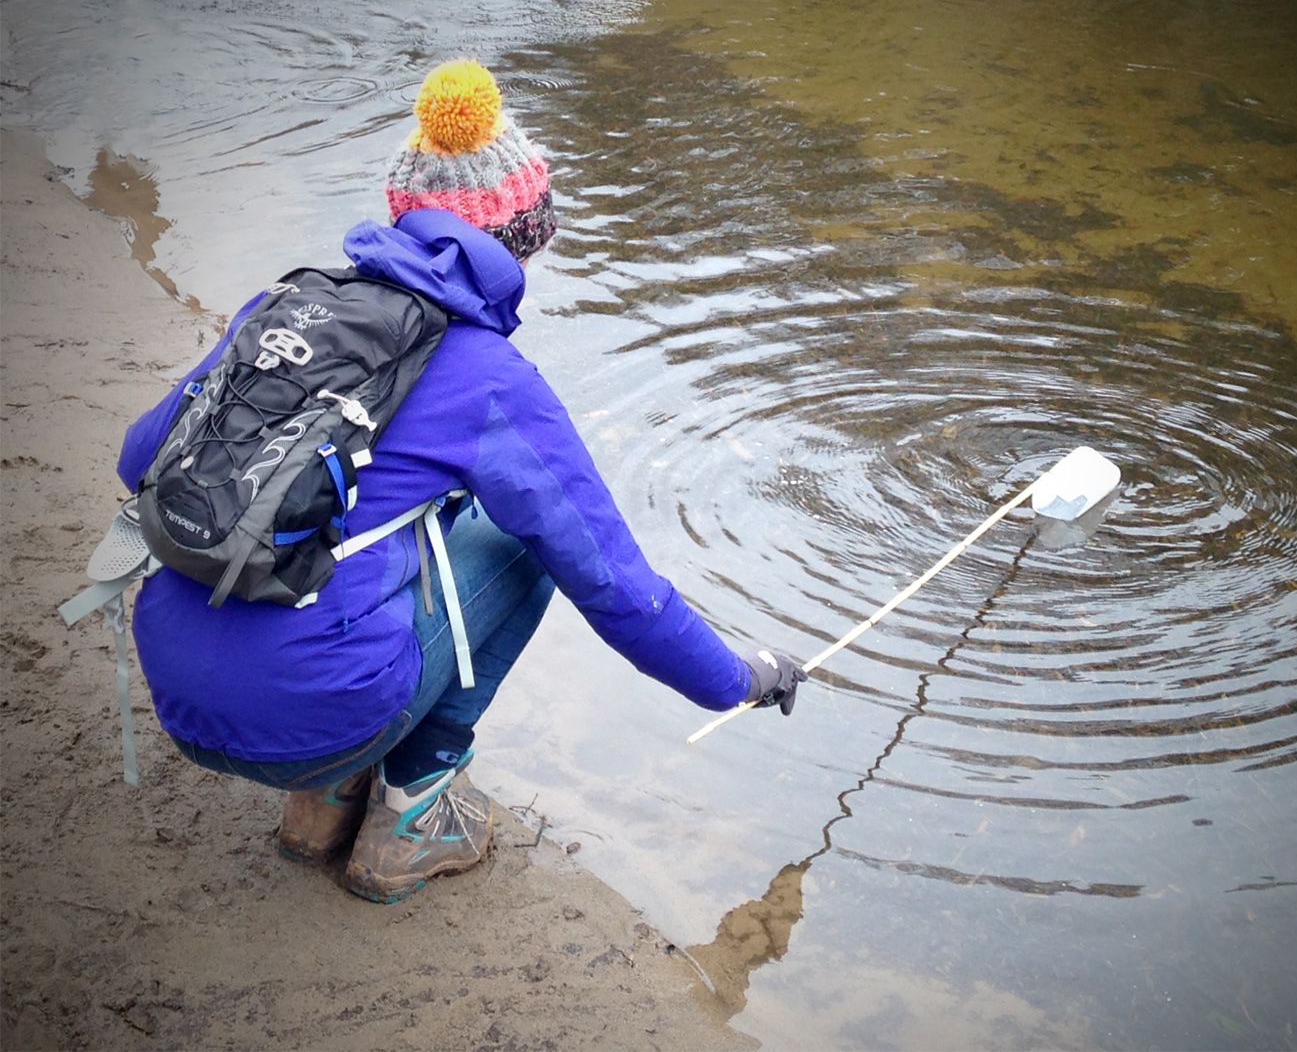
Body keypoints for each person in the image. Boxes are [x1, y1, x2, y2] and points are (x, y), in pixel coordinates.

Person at [117, 59, 808, 904]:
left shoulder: (289, 304)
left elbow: (136, 458)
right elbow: (619, 589)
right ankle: (410, 817)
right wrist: (740, 679)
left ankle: (322, 808)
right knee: (526, 549)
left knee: (390, 517)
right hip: (307, 717)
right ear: (518, 243)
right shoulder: (485, 375)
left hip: (179, 698)